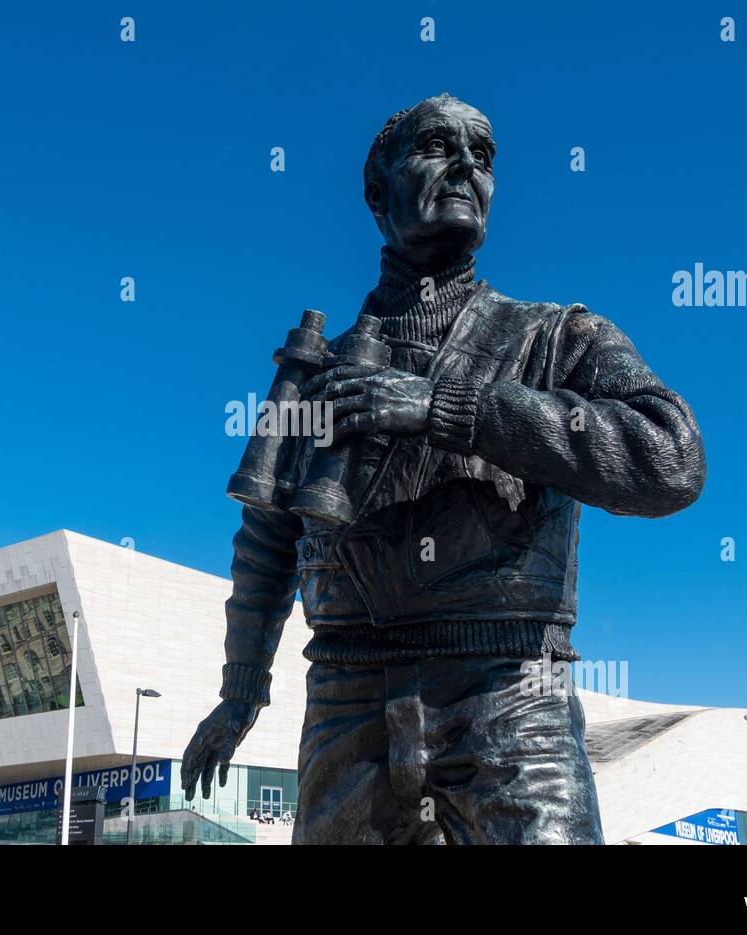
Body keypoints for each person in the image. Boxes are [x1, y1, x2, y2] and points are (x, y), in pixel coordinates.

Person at [182, 94, 705, 844]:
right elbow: (267, 541)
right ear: (377, 191)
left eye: (484, 155)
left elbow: (672, 457)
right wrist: (239, 693)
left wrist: (446, 406)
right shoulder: (314, 372)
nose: (466, 166)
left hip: (511, 699)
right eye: (437, 145)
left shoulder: (556, 336)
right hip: (345, 703)